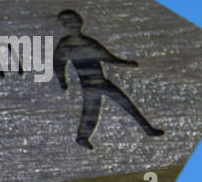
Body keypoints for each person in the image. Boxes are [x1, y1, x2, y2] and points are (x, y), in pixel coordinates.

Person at [53, 9, 164, 149]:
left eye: (75, 22)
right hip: (92, 84)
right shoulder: (66, 45)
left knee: (94, 111)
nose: (75, 25)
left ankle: (82, 137)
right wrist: (62, 80)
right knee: (117, 106)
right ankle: (147, 129)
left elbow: (107, 57)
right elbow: (58, 63)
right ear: (66, 26)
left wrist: (126, 64)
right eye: (70, 23)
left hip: (98, 82)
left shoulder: (86, 42)